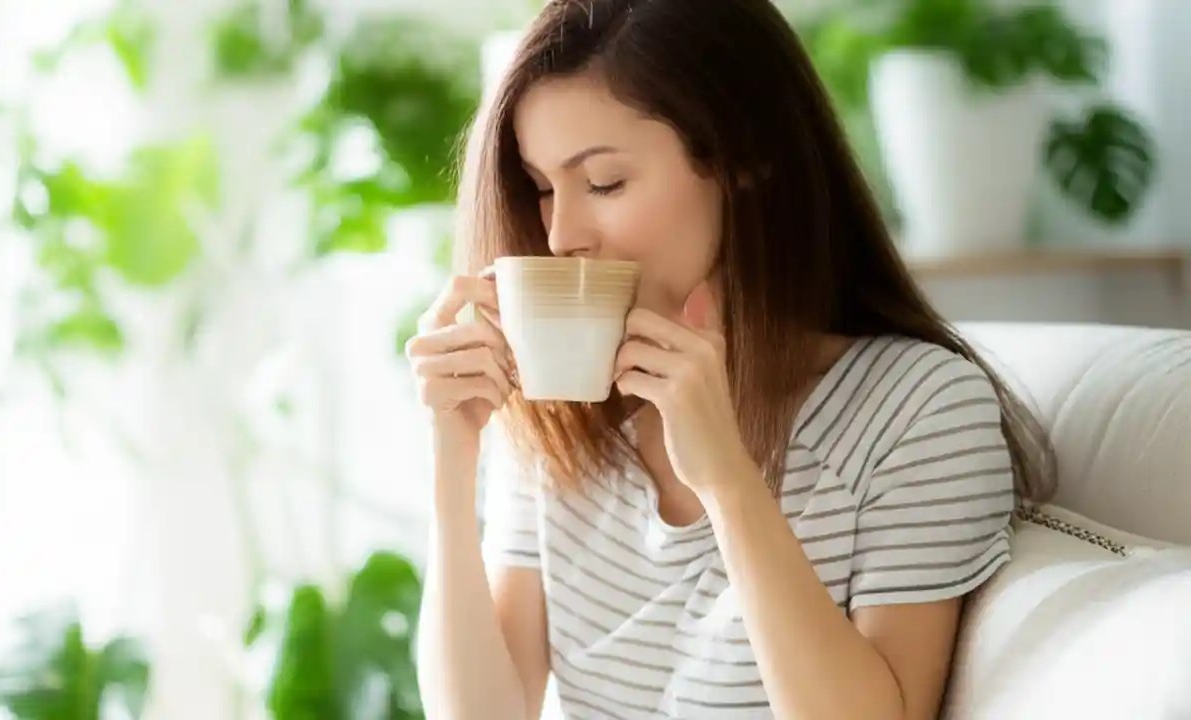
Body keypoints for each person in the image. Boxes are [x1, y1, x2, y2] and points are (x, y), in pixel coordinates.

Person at [408, 1, 1056, 718]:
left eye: (604, 183)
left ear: (744, 156)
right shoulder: (567, 422)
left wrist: (727, 482)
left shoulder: (917, 409)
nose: (561, 235)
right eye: (540, 189)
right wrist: (452, 452)